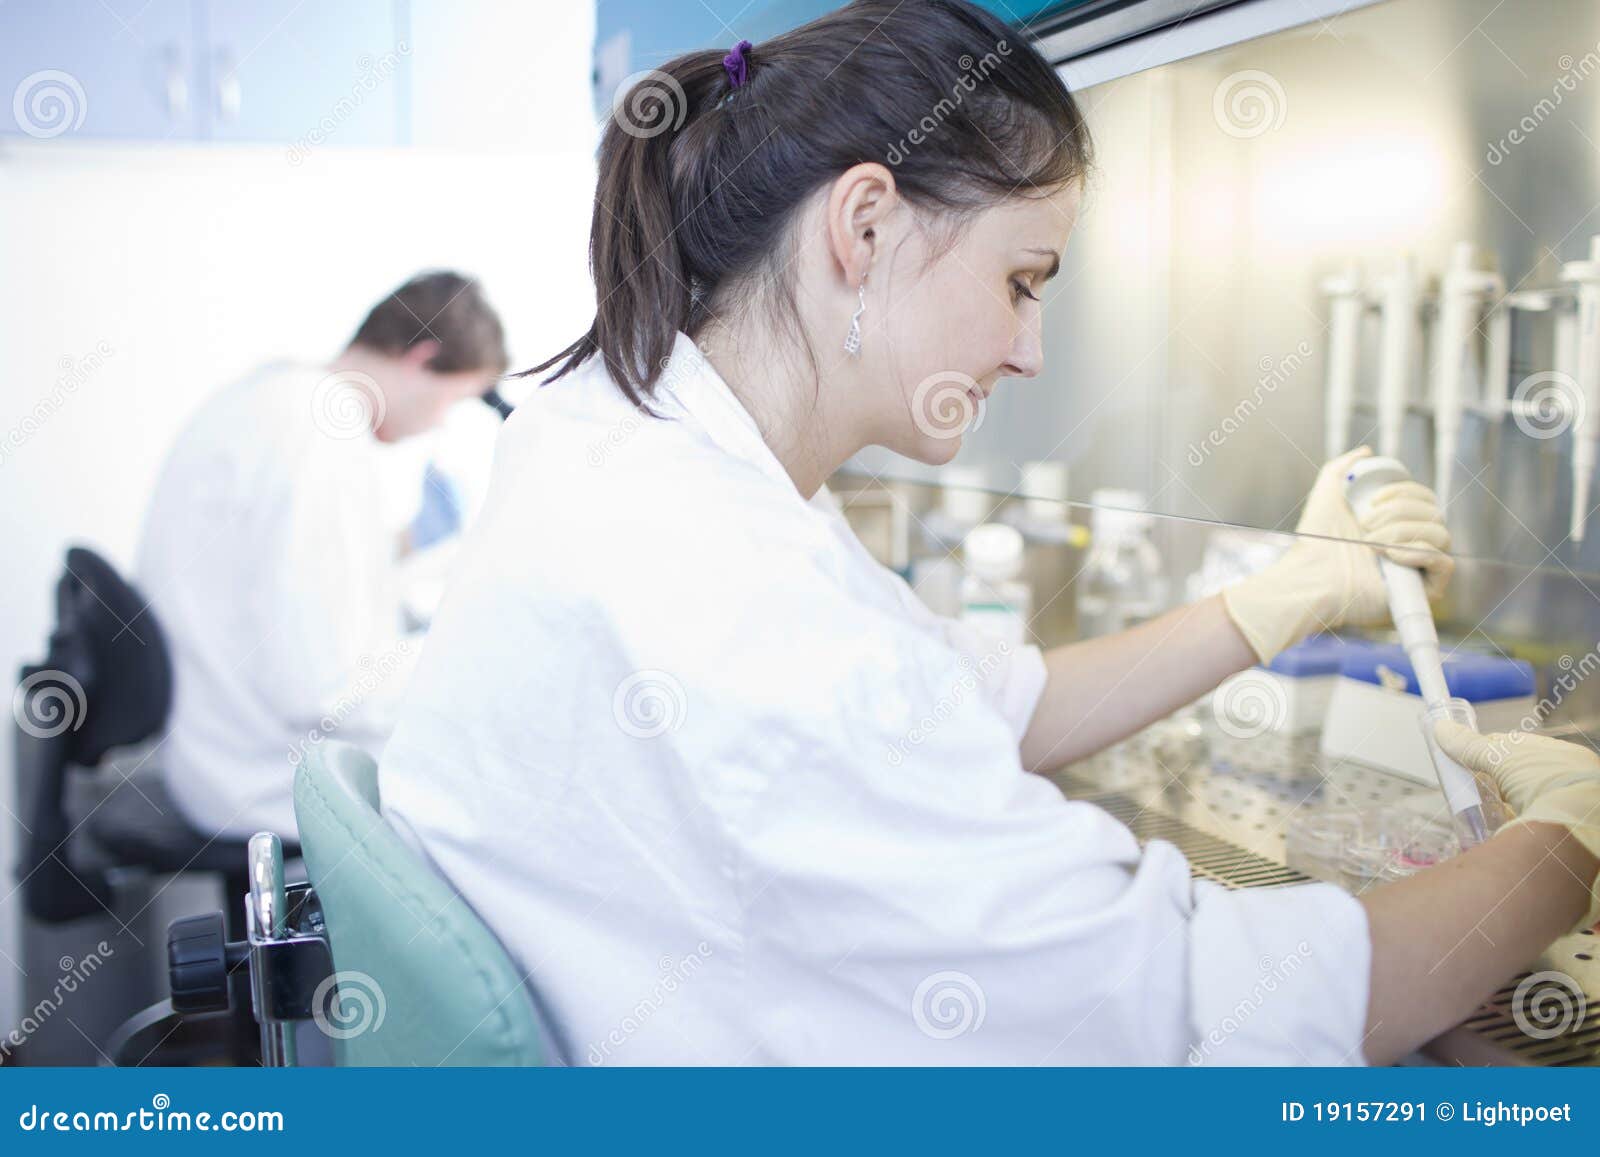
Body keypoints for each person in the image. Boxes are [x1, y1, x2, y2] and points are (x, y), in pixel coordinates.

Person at [379, 2, 1599, 1065]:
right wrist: (1562, 848)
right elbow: (1195, 1014)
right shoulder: (736, 595)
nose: (1029, 350)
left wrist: (1283, 592)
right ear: (863, 227)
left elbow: (976, 706)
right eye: (1022, 280)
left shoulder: (627, 447)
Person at [137, 271, 508, 841]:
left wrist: (405, 553)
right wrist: (469, 648)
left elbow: (274, 581)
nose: (440, 424)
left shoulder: (270, 398)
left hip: (211, 749)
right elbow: (326, 689)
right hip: (259, 780)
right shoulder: (323, 433)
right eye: (453, 402)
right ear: (423, 358)